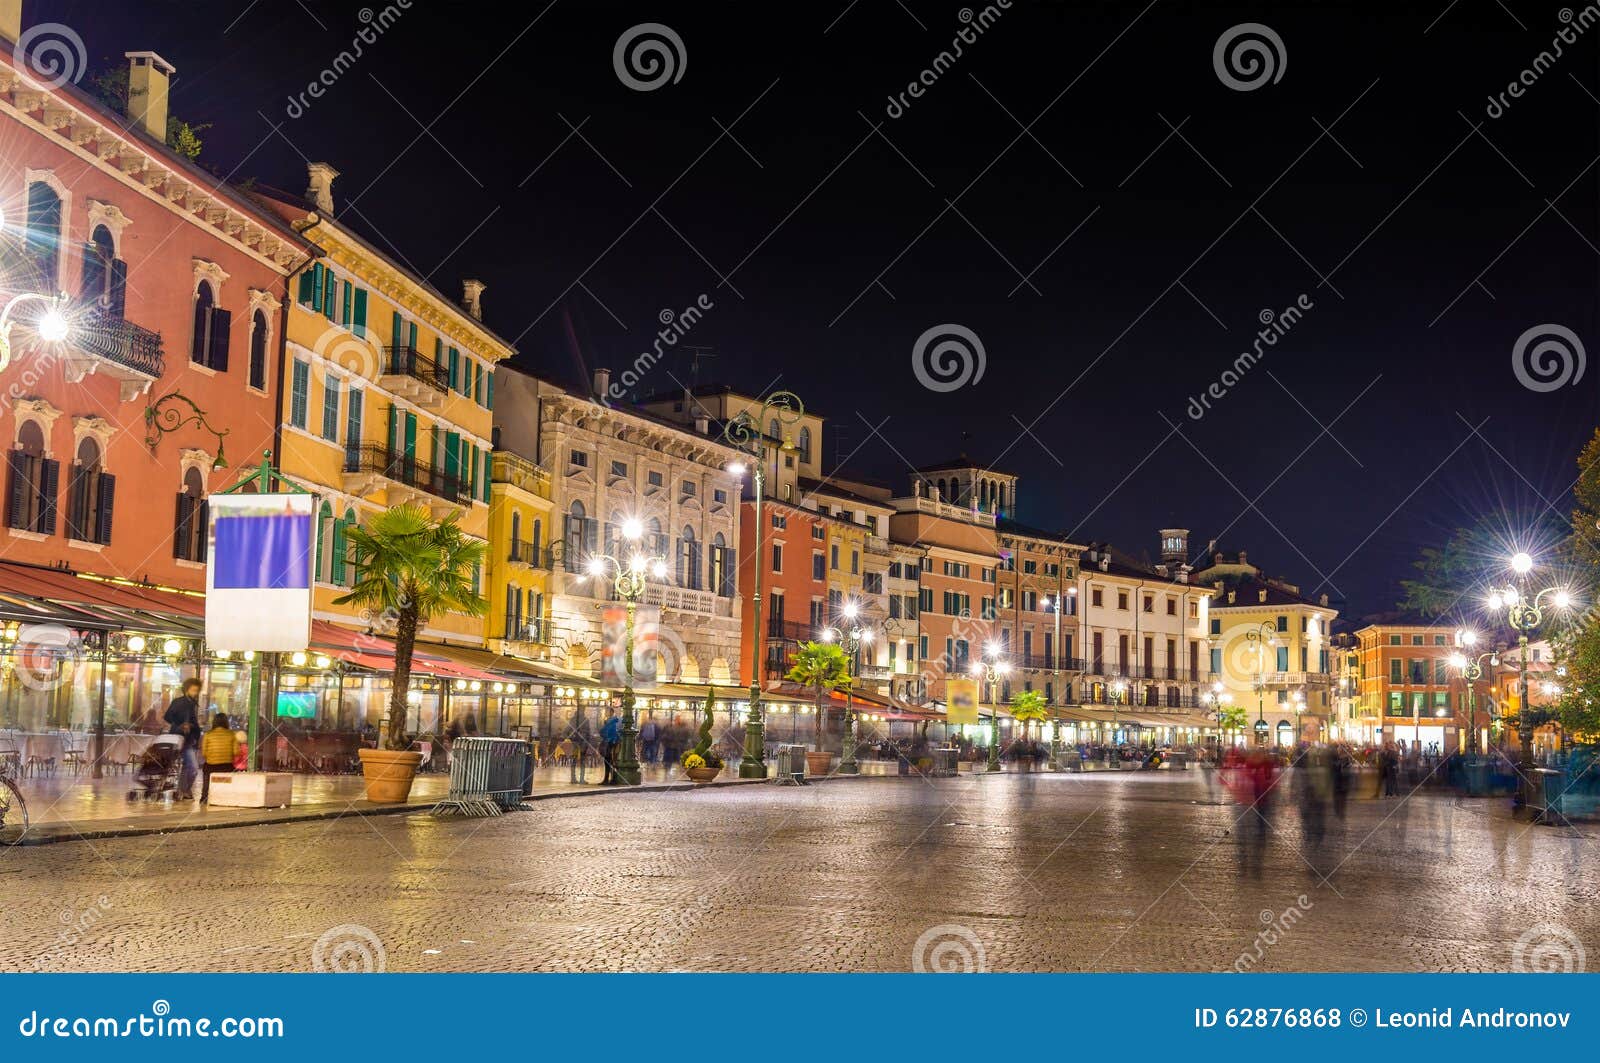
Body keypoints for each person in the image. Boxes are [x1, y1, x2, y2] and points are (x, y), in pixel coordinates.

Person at [163, 678, 203, 799]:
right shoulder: (180, 702)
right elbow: (168, 716)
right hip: (180, 739)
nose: (195, 693)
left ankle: (183, 790)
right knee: (192, 768)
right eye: (193, 690)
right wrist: (181, 724)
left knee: (188, 767)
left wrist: (194, 729)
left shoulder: (192, 703)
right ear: (186, 689)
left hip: (187, 740)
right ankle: (184, 790)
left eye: (197, 690)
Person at [200, 713, 238, 804]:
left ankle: (204, 797)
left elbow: (204, 753)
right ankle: (227, 797)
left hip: (211, 766)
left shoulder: (208, 734)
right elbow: (236, 752)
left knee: (206, 771)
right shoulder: (232, 734)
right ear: (226, 722)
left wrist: (212, 757)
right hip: (227, 766)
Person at [599, 709, 621, 783]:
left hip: (611, 743)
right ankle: (609, 778)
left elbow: (609, 732)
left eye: (607, 712)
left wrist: (611, 740)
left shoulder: (612, 722)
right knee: (609, 761)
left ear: (611, 712)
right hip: (610, 742)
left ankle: (611, 778)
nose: (606, 713)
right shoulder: (609, 721)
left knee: (610, 761)